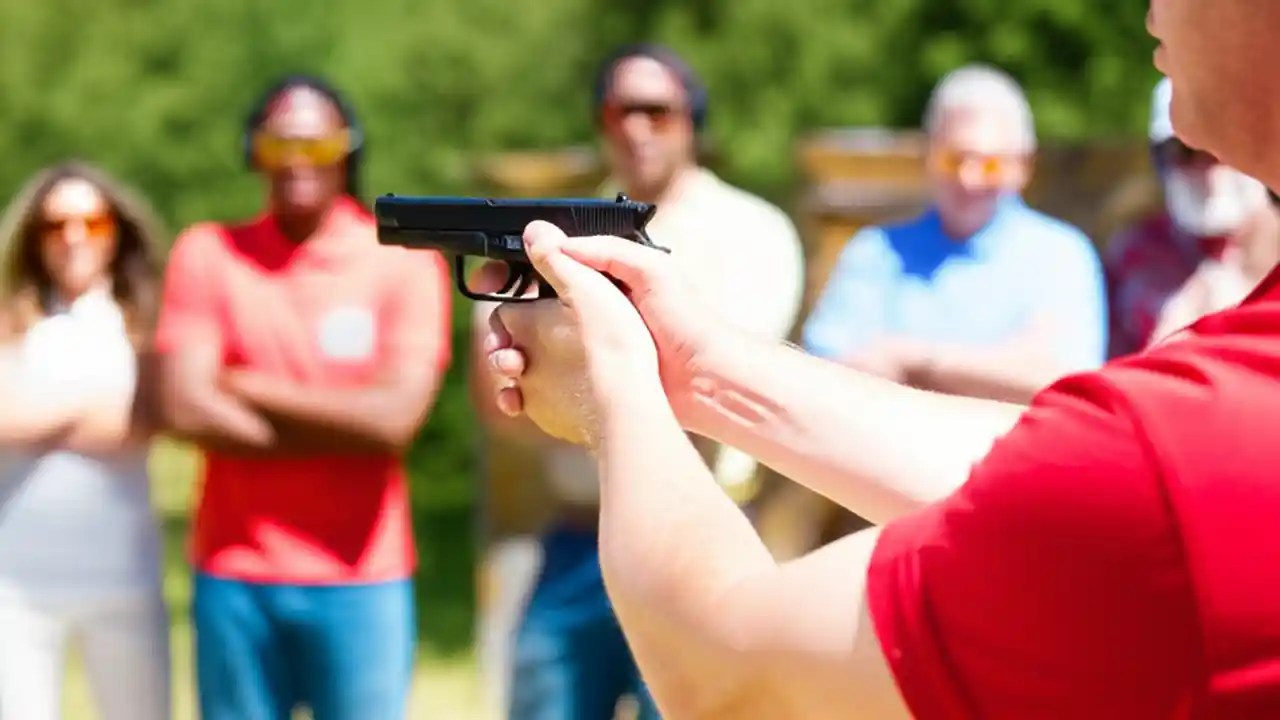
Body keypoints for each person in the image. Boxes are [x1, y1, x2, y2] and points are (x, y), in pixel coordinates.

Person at [478, 0, 1280, 714]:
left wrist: (616, 385)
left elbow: (728, 674)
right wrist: (700, 366)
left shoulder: (1204, 431)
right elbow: (1059, 464)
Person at [471, 44, 805, 720]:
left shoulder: (753, 230)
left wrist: (564, 372)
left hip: (696, 534)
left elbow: (706, 388)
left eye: (656, 109)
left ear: (692, 119)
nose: (635, 127)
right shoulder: (555, 228)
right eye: (617, 110)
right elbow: (499, 406)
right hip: (576, 535)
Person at [153, 75, 453, 720]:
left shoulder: (402, 260)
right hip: (236, 573)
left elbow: (393, 423)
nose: (296, 162)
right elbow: (181, 407)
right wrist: (347, 419)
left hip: (361, 578)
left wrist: (243, 385)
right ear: (252, 151)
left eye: (316, 146)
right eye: (278, 144)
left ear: (348, 150)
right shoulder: (207, 253)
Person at [803, 63, 1108, 405]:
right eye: (954, 159)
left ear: (1023, 166)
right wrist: (1003, 368)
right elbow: (824, 377)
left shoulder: (1062, 254)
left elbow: (1067, 384)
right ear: (928, 156)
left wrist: (913, 359)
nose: (970, 178)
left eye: (990, 164)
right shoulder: (873, 250)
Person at [0, 162, 169, 720]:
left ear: (116, 230)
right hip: (18, 584)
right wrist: (94, 405)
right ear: (34, 237)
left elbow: (146, 418)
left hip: (124, 578)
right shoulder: (12, 318)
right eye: (56, 225)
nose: (74, 238)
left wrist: (42, 413)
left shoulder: (143, 320)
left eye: (91, 223)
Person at [1106, 76, 1278, 356]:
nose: (1209, 171)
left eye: (1225, 149)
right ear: (1159, 159)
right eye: (1185, 152)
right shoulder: (1135, 252)